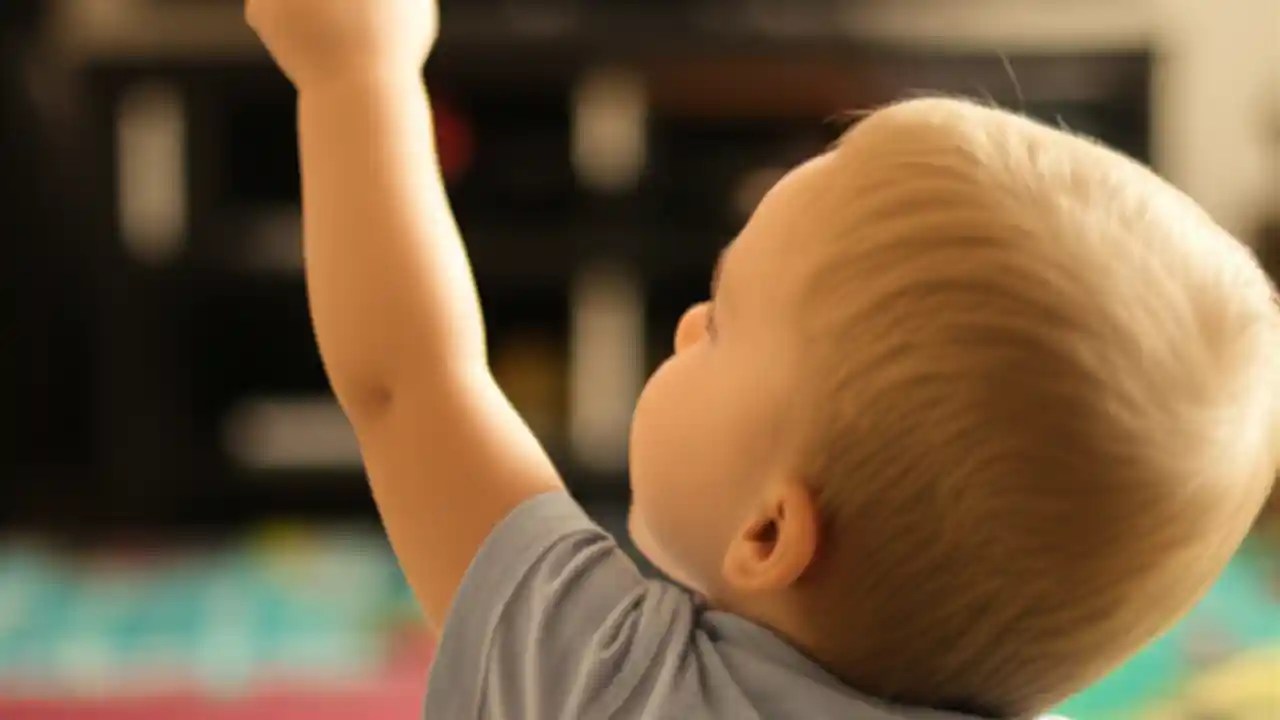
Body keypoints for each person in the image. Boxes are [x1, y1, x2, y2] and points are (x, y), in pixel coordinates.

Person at [245, 1, 1280, 717]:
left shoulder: (612, 676)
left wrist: (355, 72)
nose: (688, 326)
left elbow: (408, 381)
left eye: (720, 314)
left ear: (770, 529)